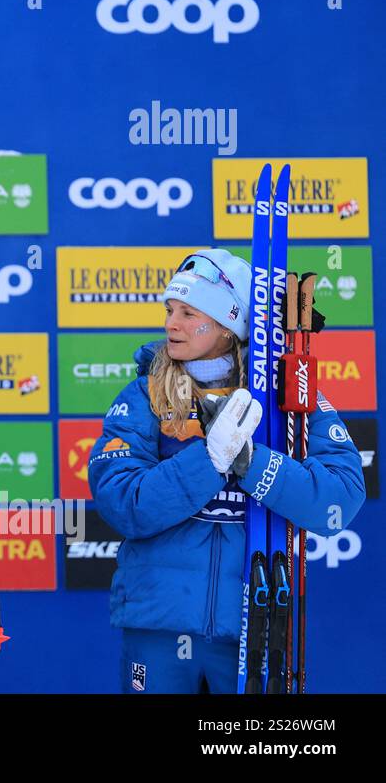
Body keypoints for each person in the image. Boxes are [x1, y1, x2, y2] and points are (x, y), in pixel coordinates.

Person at [88, 249, 365, 693]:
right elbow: (123, 504)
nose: (171, 324)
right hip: (159, 625)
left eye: (188, 312)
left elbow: (338, 499)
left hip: (255, 623)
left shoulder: (287, 395)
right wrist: (208, 460)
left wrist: (252, 463)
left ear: (226, 326)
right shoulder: (145, 394)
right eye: (170, 310)